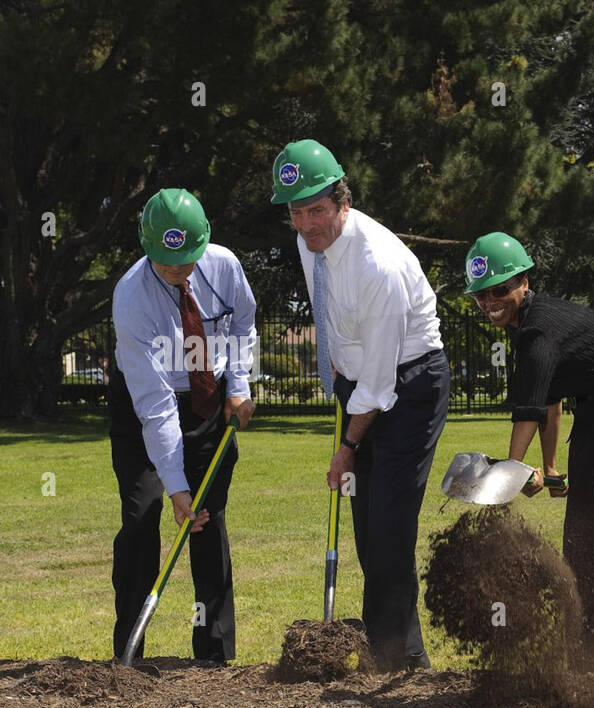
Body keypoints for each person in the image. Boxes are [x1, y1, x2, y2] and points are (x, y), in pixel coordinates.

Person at [272, 139, 450, 671]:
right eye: (297, 212)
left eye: (318, 210)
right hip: (360, 379)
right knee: (368, 528)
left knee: (390, 525)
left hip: (409, 384)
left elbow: (380, 381)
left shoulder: (380, 265)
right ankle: (387, 645)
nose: (307, 224)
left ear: (342, 202)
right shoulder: (311, 243)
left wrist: (346, 447)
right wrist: (331, 354)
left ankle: (401, 661)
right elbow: (325, 301)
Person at [463, 233, 594, 674]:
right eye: (481, 295)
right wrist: (549, 467)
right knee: (583, 542)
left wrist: (510, 471)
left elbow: (529, 410)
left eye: (500, 290)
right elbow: (551, 401)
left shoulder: (538, 332)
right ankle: (585, 656)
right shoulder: (531, 325)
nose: (490, 302)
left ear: (524, 283)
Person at [110, 188, 255, 663]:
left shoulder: (225, 266)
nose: (179, 269)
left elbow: (242, 325)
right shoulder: (132, 297)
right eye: (167, 261)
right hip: (144, 403)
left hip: (208, 397)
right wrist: (175, 486)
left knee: (208, 518)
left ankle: (213, 655)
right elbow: (154, 406)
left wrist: (238, 383)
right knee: (143, 514)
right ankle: (128, 658)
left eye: (188, 258)